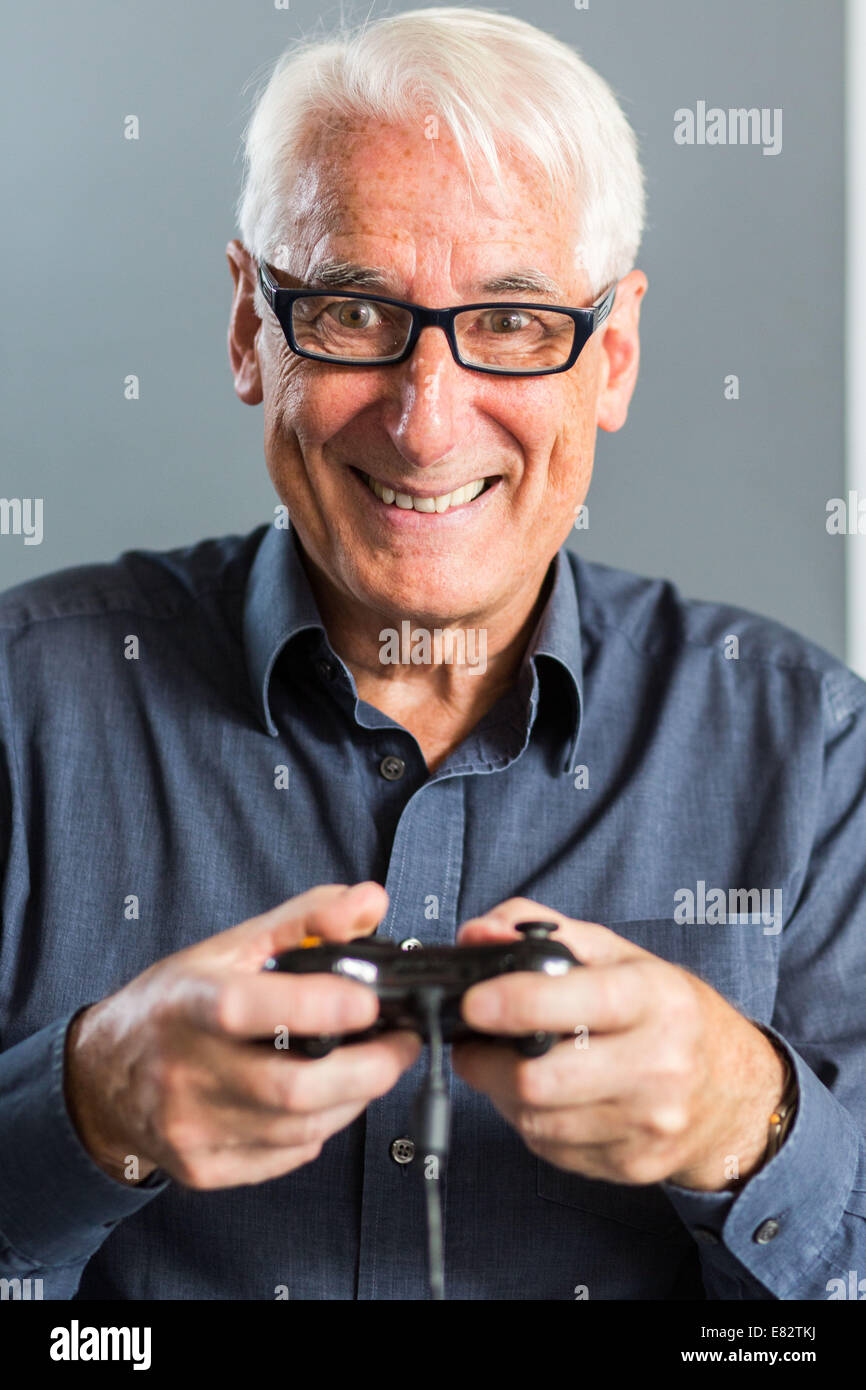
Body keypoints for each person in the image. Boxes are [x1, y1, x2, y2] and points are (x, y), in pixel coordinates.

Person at [1, 7, 863, 1302]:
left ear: (610, 355)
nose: (423, 421)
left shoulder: (813, 751)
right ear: (250, 324)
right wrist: (85, 1108)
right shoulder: (18, 713)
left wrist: (757, 1125)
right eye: (353, 310)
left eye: (514, 322)